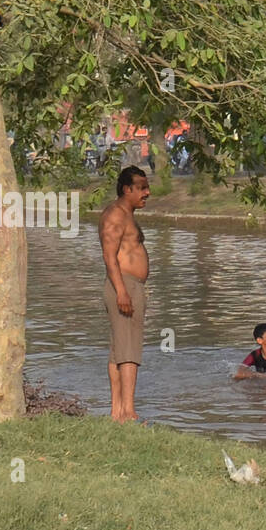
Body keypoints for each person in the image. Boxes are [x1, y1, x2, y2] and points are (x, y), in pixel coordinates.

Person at [99, 166, 151, 422]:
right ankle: (128, 412)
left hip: (129, 286)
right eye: (141, 187)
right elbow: (109, 257)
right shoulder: (115, 215)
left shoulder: (127, 215)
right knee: (129, 350)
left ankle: (118, 412)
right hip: (124, 286)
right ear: (126, 189)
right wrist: (122, 291)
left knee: (119, 349)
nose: (147, 192)